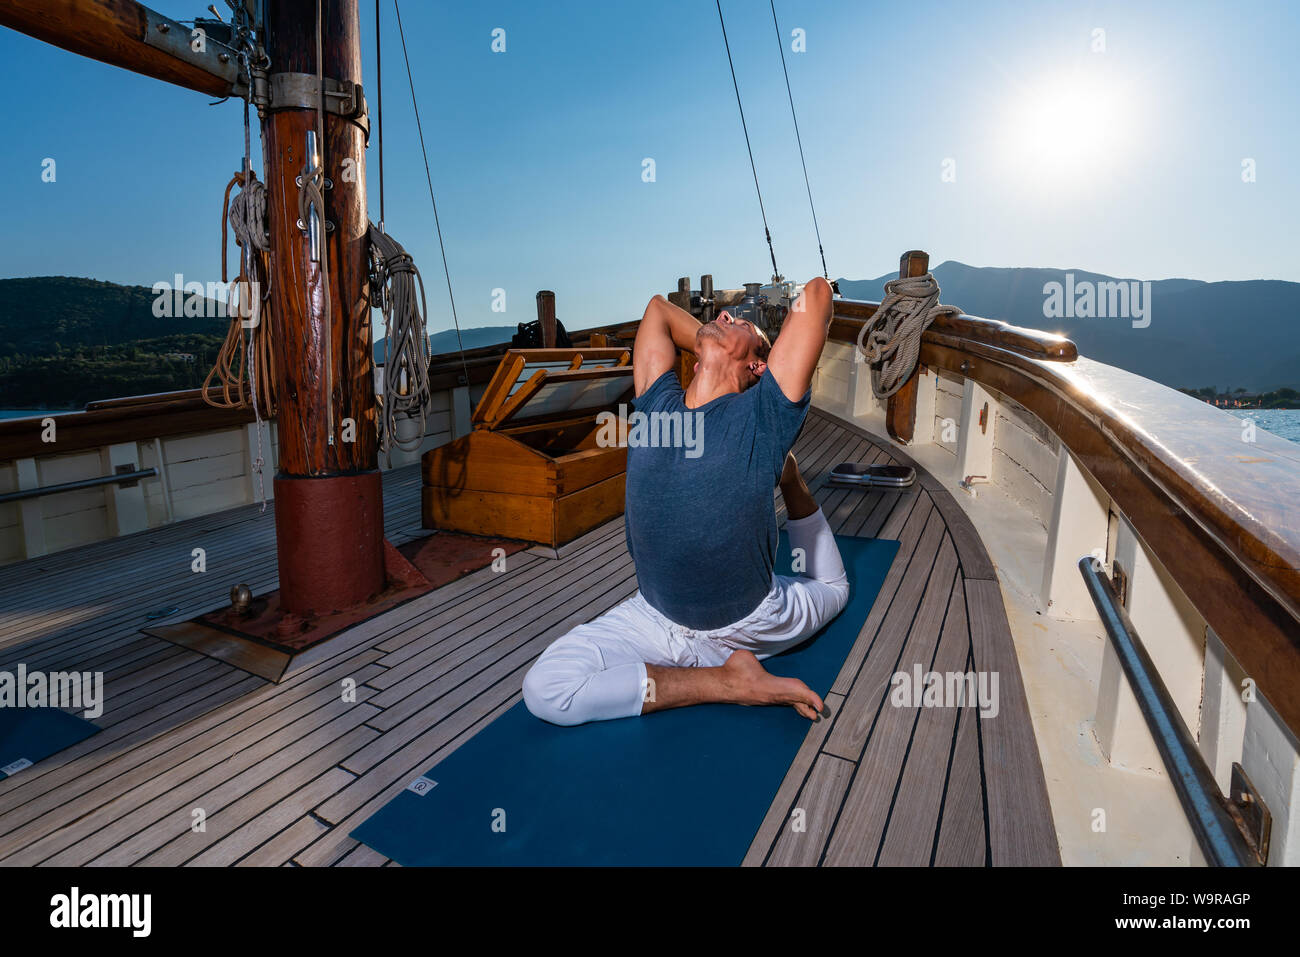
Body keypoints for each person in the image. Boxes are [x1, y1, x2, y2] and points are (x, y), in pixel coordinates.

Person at [522, 278, 848, 725]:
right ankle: (727, 682)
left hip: (748, 621)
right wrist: (714, 339)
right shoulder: (658, 405)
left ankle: (791, 477)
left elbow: (815, 296)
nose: (725, 316)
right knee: (545, 689)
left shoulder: (763, 415)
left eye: (740, 324)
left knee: (835, 589)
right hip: (655, 618)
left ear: (758, 367)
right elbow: (657, 309)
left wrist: (786, 476)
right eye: (723, 317)